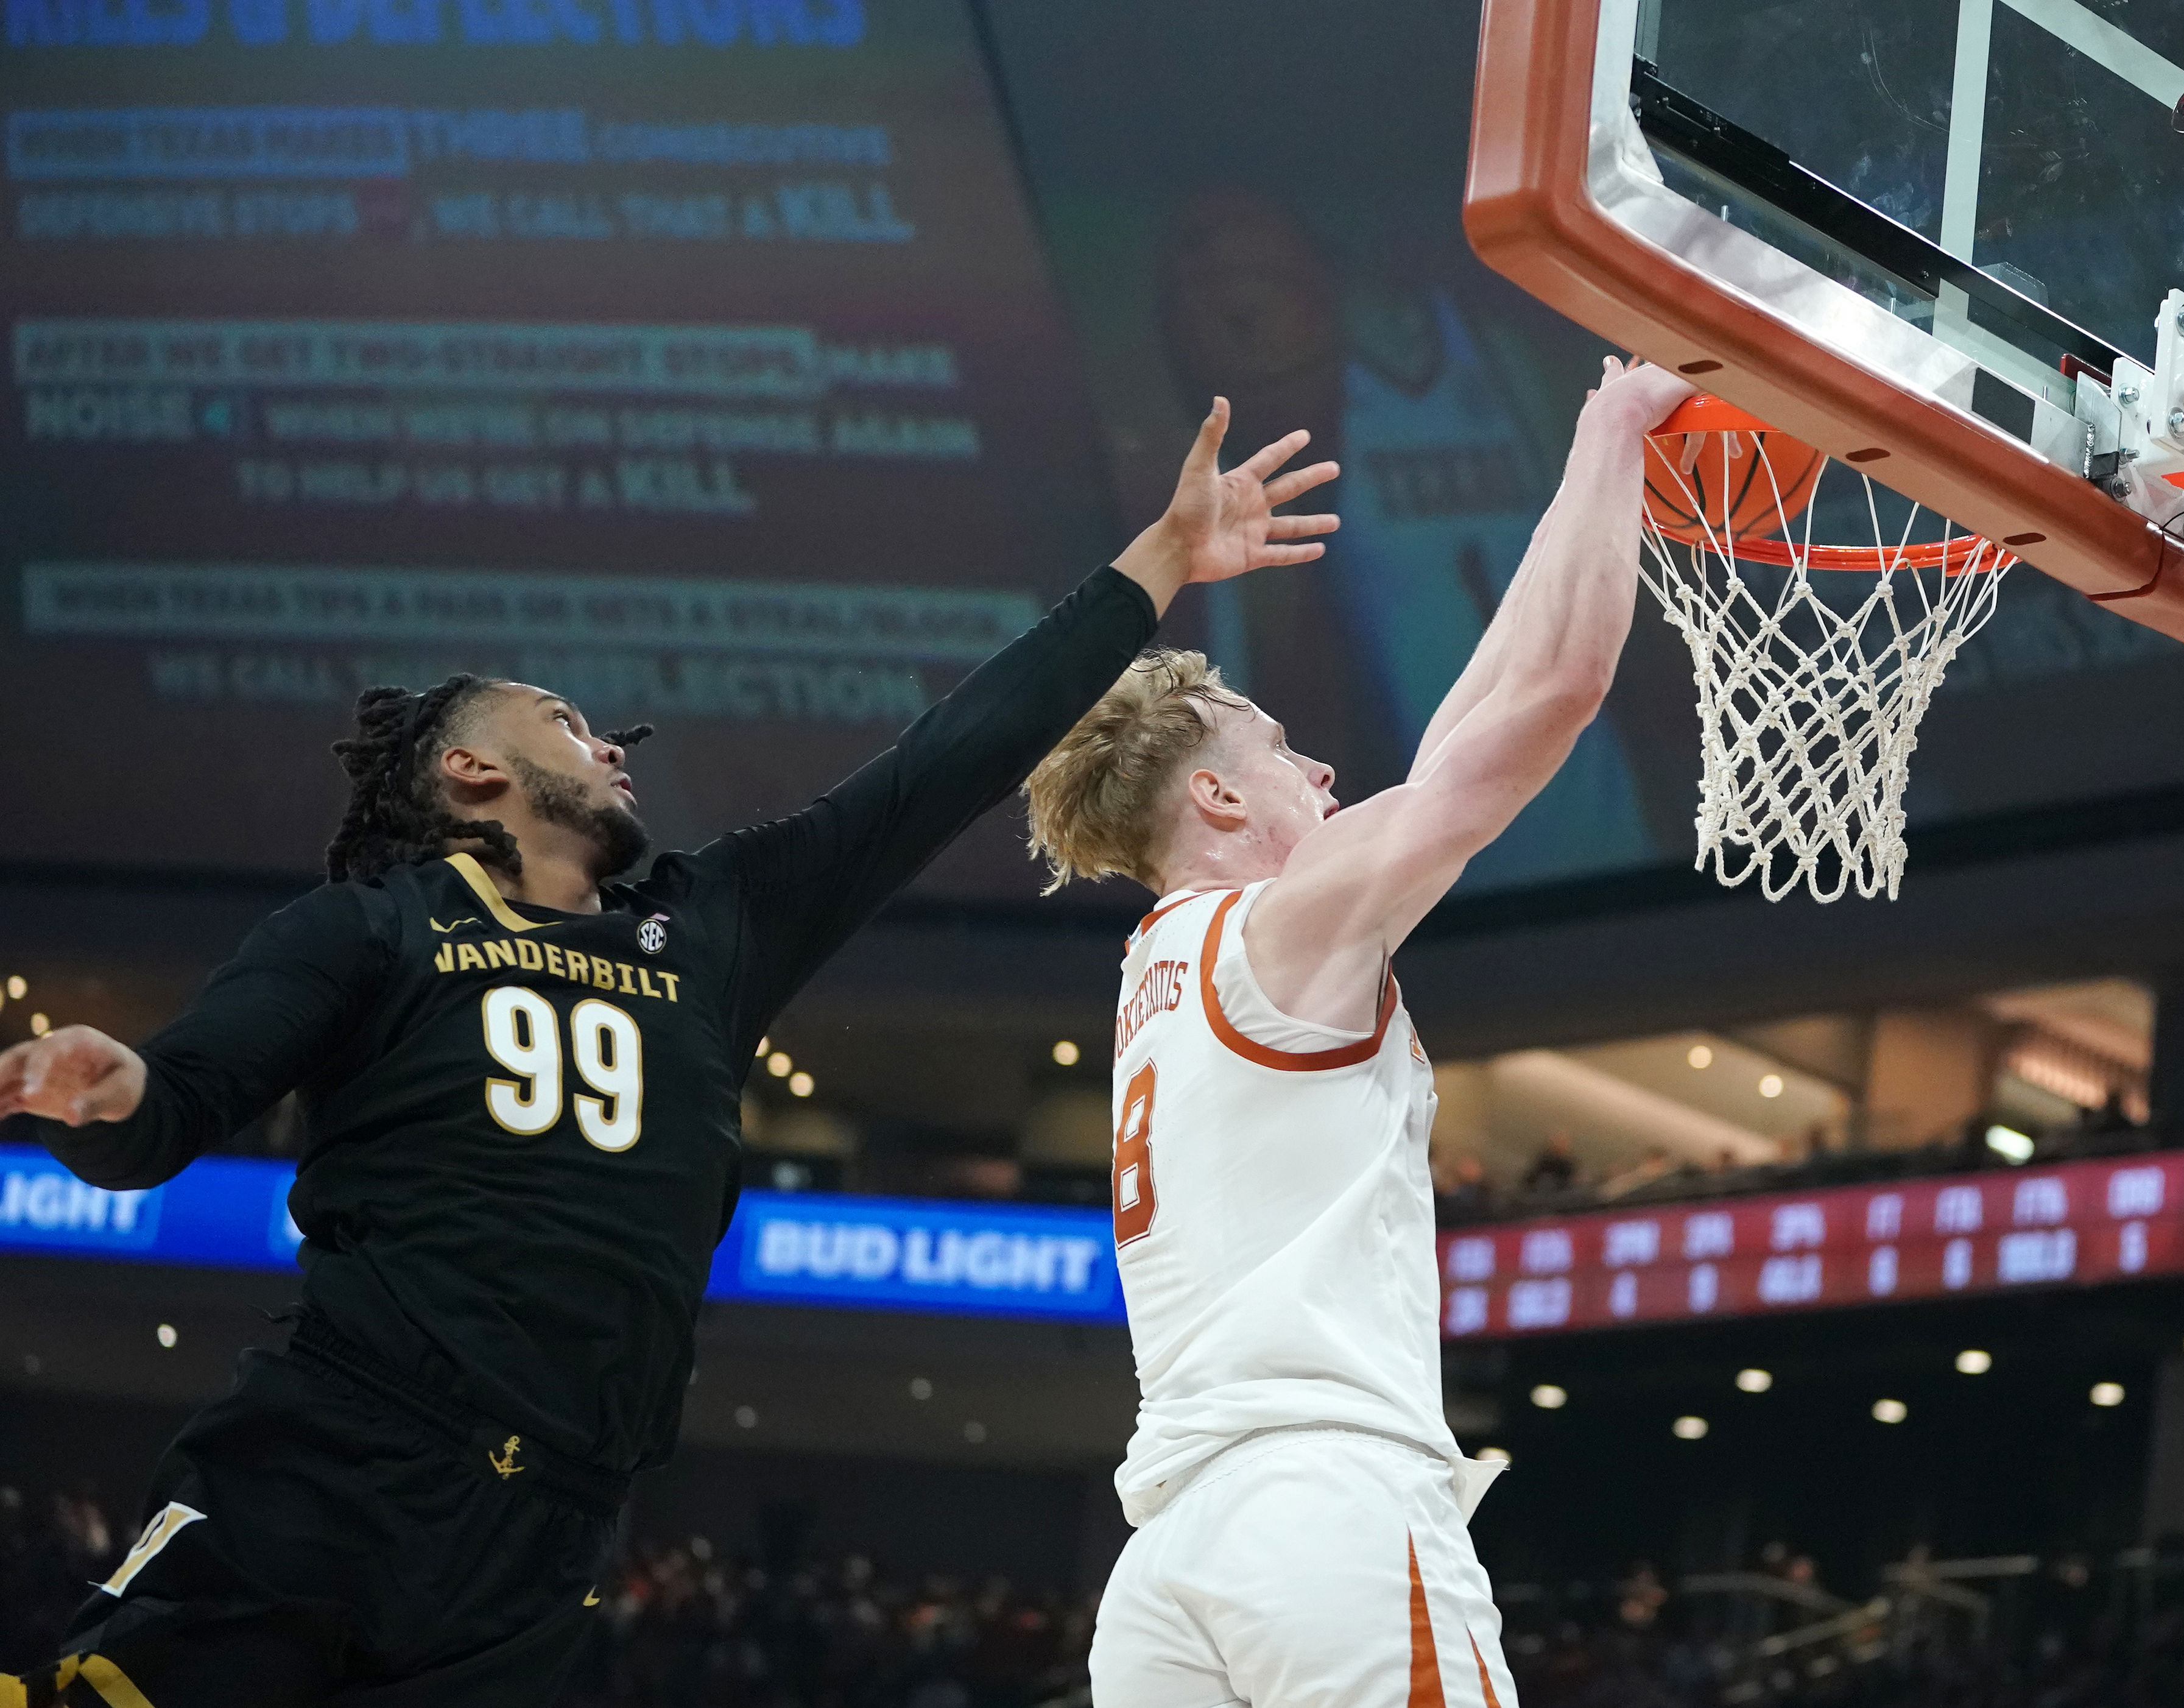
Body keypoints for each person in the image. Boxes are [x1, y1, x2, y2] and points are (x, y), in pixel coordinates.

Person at [0, 401, 1337, 1708]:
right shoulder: (369, 930)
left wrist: (1159, 560)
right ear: (472, 770)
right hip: (340, 1458)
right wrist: (107, 1094)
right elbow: (171, 1111)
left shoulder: (713, 923)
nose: (609, 741)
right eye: (563, 720)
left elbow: (946, 761)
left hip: (553, 1533)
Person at [1023, 356, 1693, 1708]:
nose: (1323, 771)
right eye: (1281, 746)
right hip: (1318, 1505)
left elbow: (1463, 728)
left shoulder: (1164, 962)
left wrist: (1582, 444)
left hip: (1170, 1556)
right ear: (1215, 793)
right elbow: (1554, 689)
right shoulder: (1282, 927)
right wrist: (1622, 426)